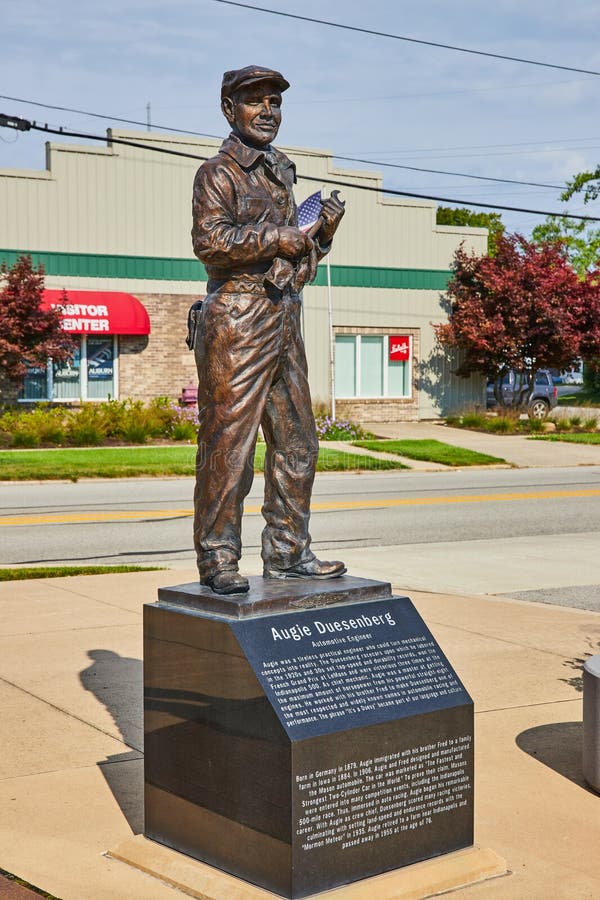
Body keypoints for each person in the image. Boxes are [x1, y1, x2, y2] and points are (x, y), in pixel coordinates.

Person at [191, 65, 346, 595]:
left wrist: (317, 235)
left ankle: (288, 552)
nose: (268, 112)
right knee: (229, 447)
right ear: (230, 110)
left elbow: (296, 261)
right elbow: (210, 242)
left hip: (284, 318)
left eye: (275, 103)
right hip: (236, 321)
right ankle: (218, 559)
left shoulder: (282, 172)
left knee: (299, 443)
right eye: (256, 102)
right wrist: (278, 236)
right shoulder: (219, 173)